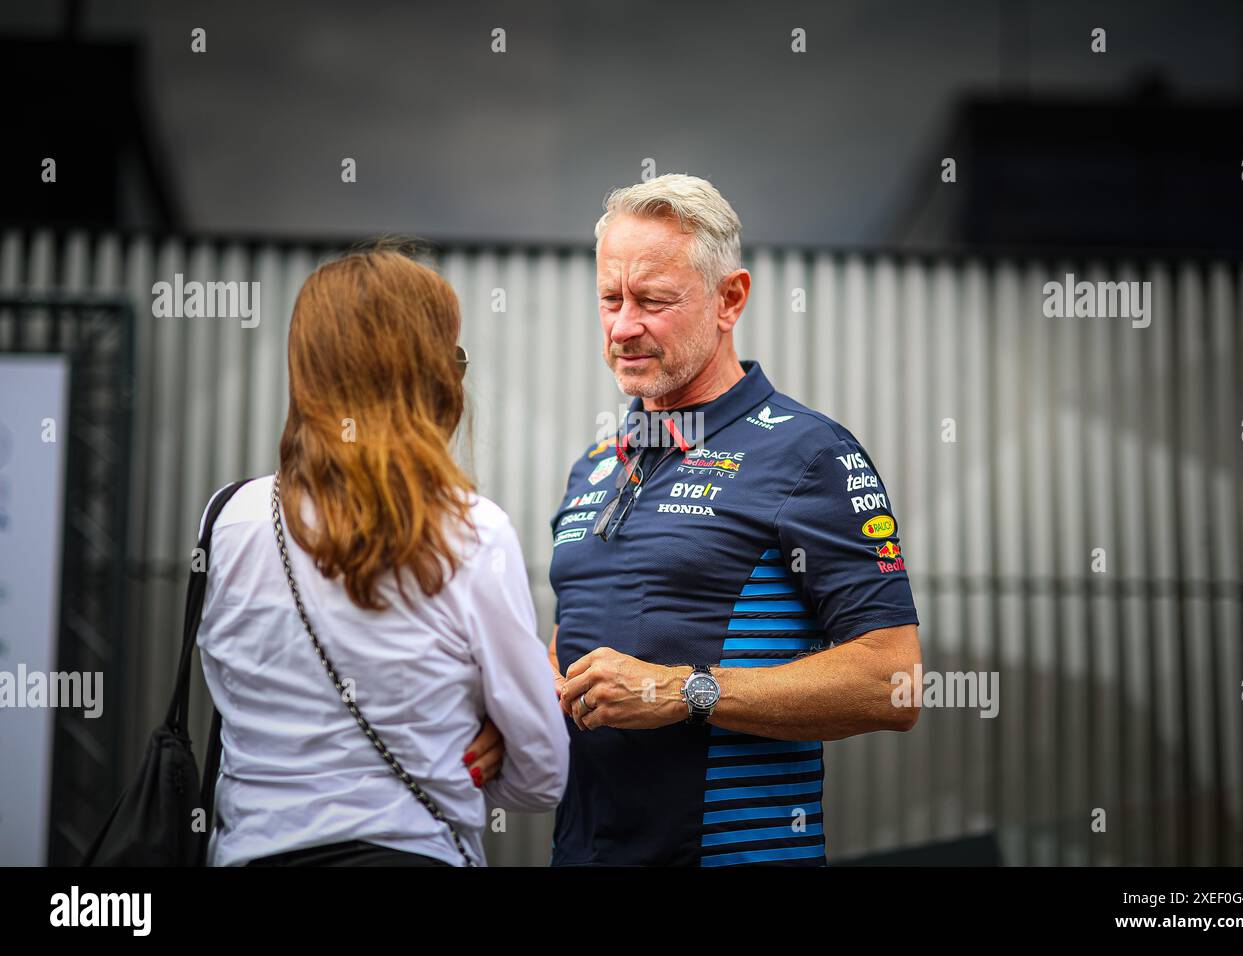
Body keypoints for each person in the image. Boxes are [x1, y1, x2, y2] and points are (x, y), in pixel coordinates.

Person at [547, 175, 923, 866]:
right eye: (610, 299)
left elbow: (893, 683)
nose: (624, 326)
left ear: (730, 299)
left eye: (654, 301)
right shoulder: (594, 465)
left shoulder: (808, 452)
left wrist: (683, 690)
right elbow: (568, 656)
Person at [196, 247, 568, 866]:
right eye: (454, 357)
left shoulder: (225, 519)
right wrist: (473, 746)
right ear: (425, 376)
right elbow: (543, 774)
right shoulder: (469, 531)